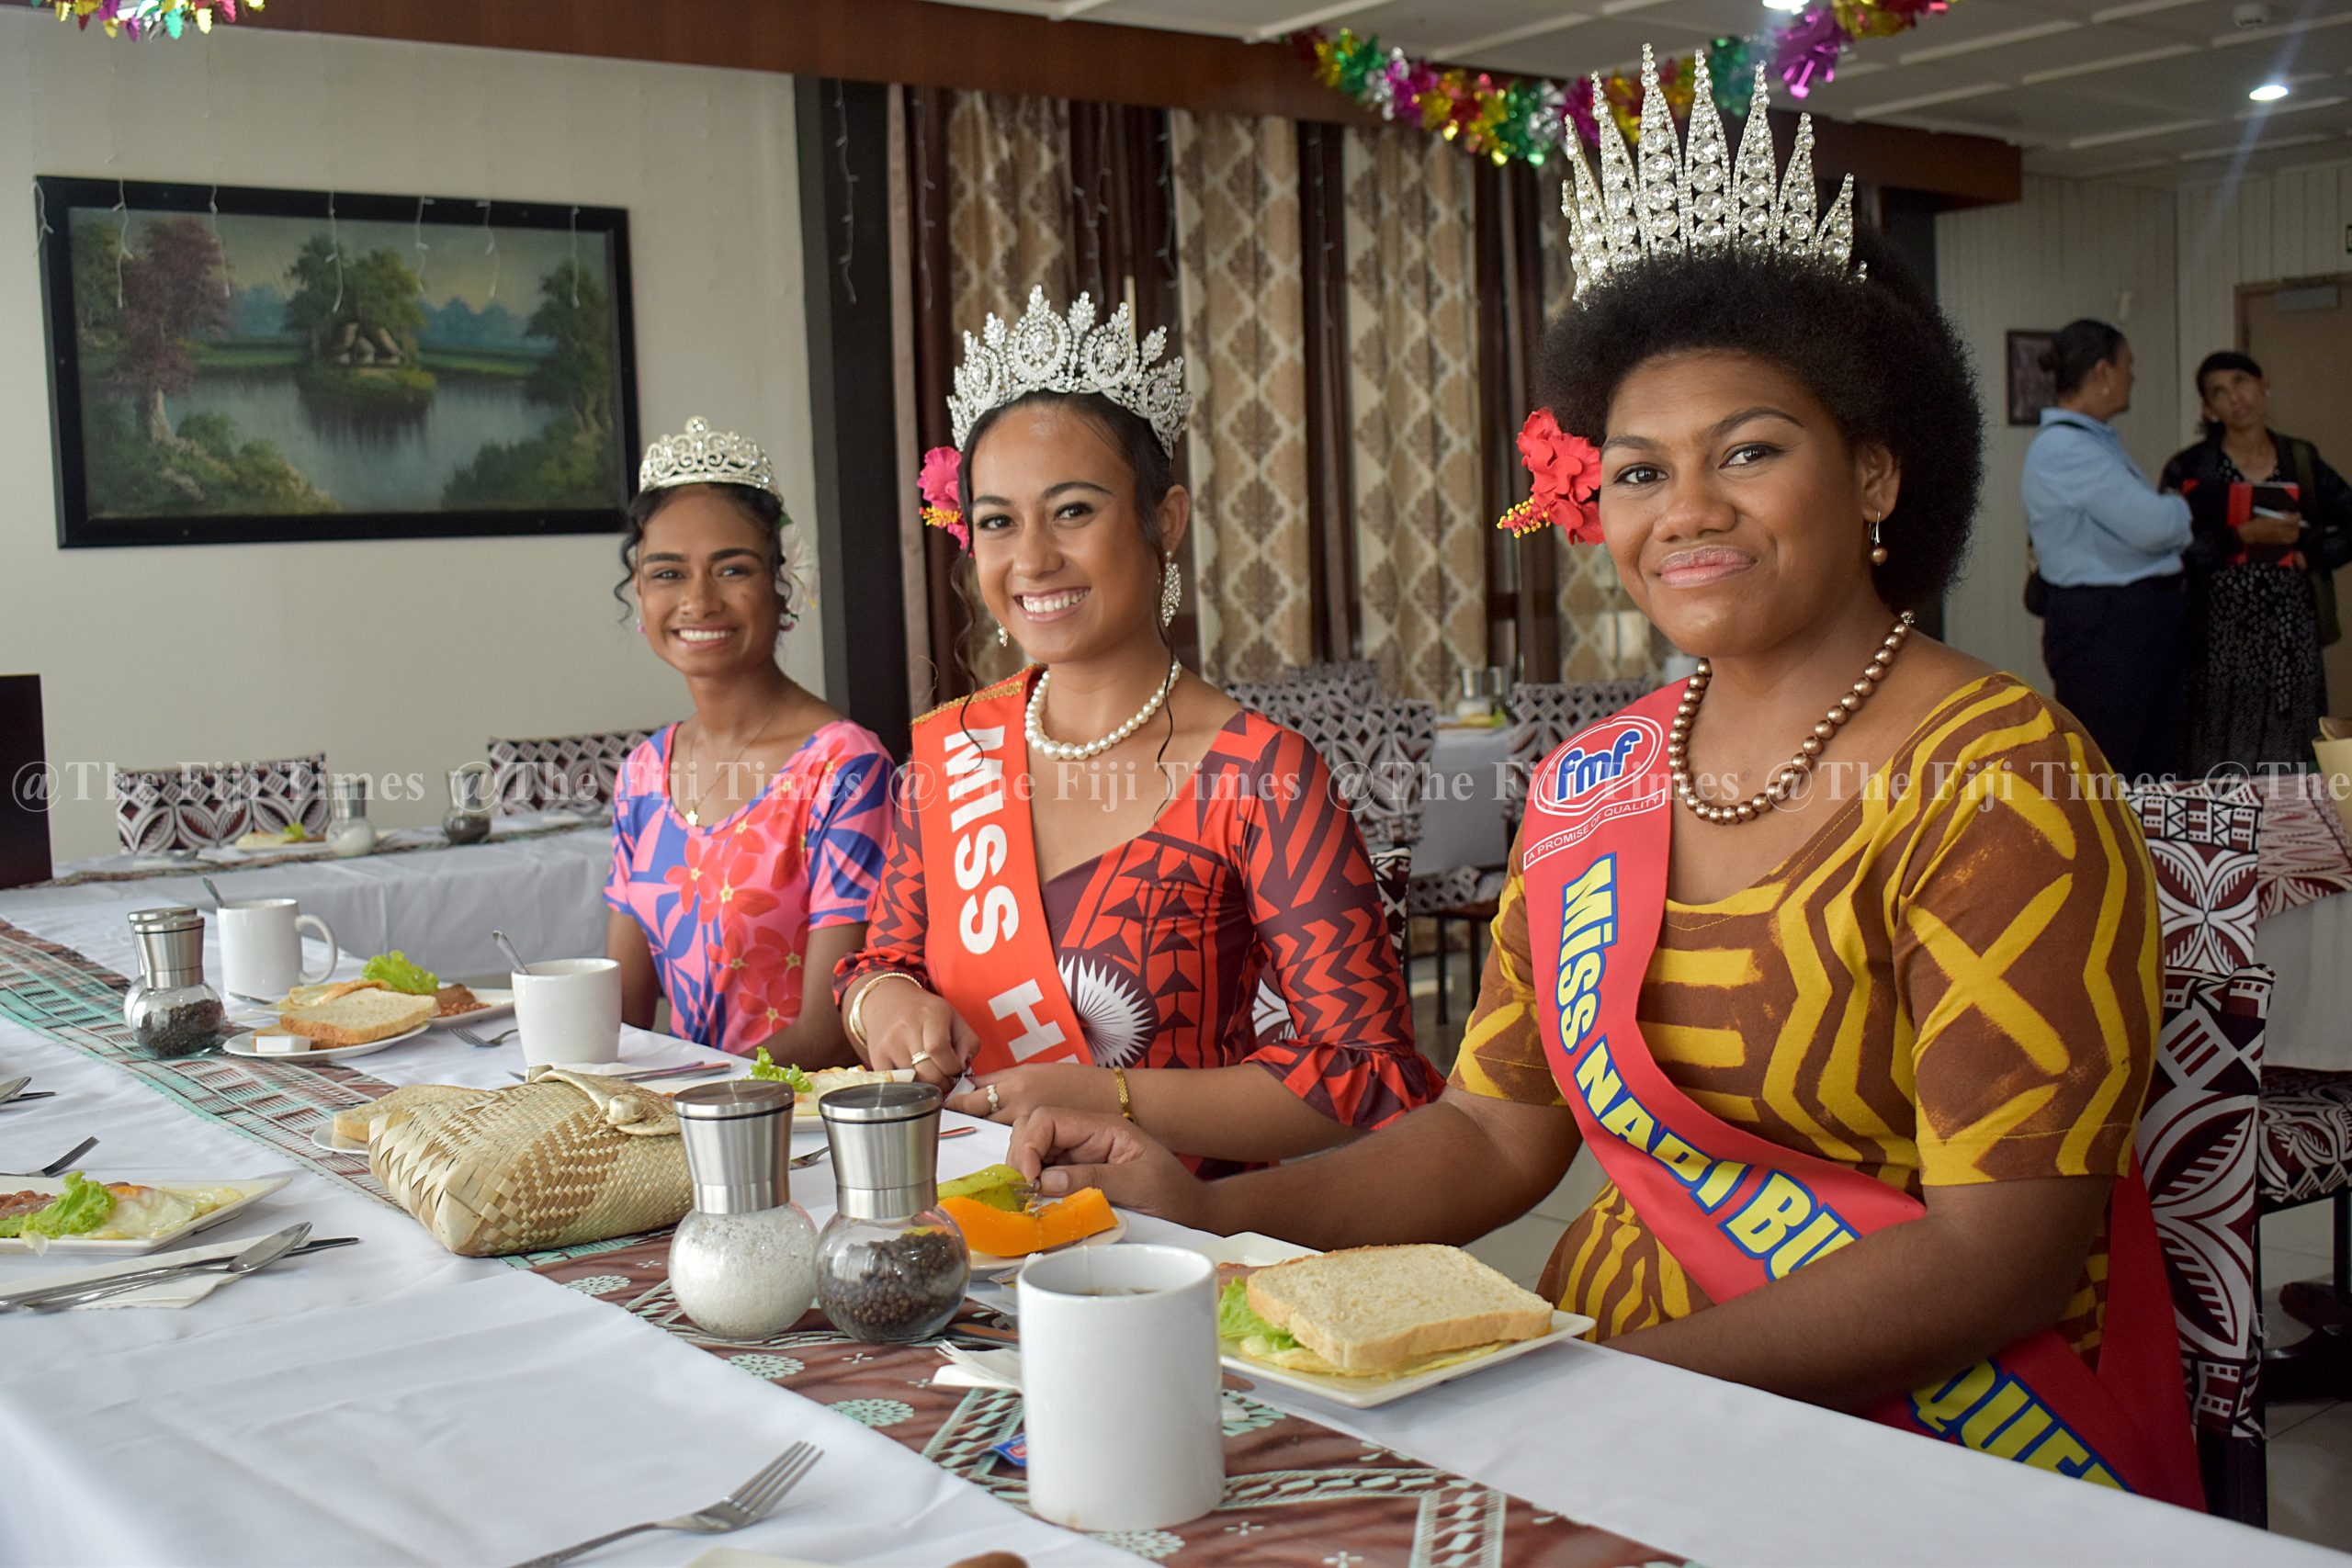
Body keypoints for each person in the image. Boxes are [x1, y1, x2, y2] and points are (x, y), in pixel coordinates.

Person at [1006, 55, 2201, 1506]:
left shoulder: (2000, 777)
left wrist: (1614, 1395)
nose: (1685, 511)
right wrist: (1202, 1206)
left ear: (1878, 475)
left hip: (1938, 1446)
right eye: (1637, 473)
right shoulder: (1594, 781)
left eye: (1749, 451)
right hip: (1612, 1389)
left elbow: (1998, 1251)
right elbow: (1492, 1130)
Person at [833, 288, 1439, 1172]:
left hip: (1172, 1246)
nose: (1032, 559)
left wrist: (1106, 1098)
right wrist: (883, 1005)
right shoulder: (954, 749)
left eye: (1073, 510)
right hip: (964, 1220)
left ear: (1165, 520)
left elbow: (1367, 1073)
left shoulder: (1257, 774)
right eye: (999, 521)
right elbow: (875, 962)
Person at [604, 418, 893, 1063]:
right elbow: (624, 1011)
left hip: (801, 1126)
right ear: (640, 591)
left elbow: (835, 1028)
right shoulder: (644, 773)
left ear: (780, 583)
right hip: (677, 1124)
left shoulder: (844, 767)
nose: (699, 600)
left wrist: (696, 1105)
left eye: (731, 569)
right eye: (668, 573)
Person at [2160, 350, 2352, 773]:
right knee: (2218, 747)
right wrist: (2240, 537)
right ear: (2209, 409)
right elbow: (2170, 552)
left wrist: (2312, 554)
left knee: (2293, 749)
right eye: (2220, 392)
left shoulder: (2299, 459)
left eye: (2242, 382)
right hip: (2217, 635)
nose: (2236, 398)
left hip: (2290, 634)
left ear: (2263, 383)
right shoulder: (2191, 468)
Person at [2021, 319, 2194, 781]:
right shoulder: (2065, 449)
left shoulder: (2088, 442)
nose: (2132, 376)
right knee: (2114, 769)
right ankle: (2117, 855)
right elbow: (2153, 527)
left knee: (2151, 768)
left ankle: (2147, 853)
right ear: (2102, 373)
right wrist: (2181, 509)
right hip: (2109, 626)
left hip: (2126, 621)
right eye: (2127, 365)